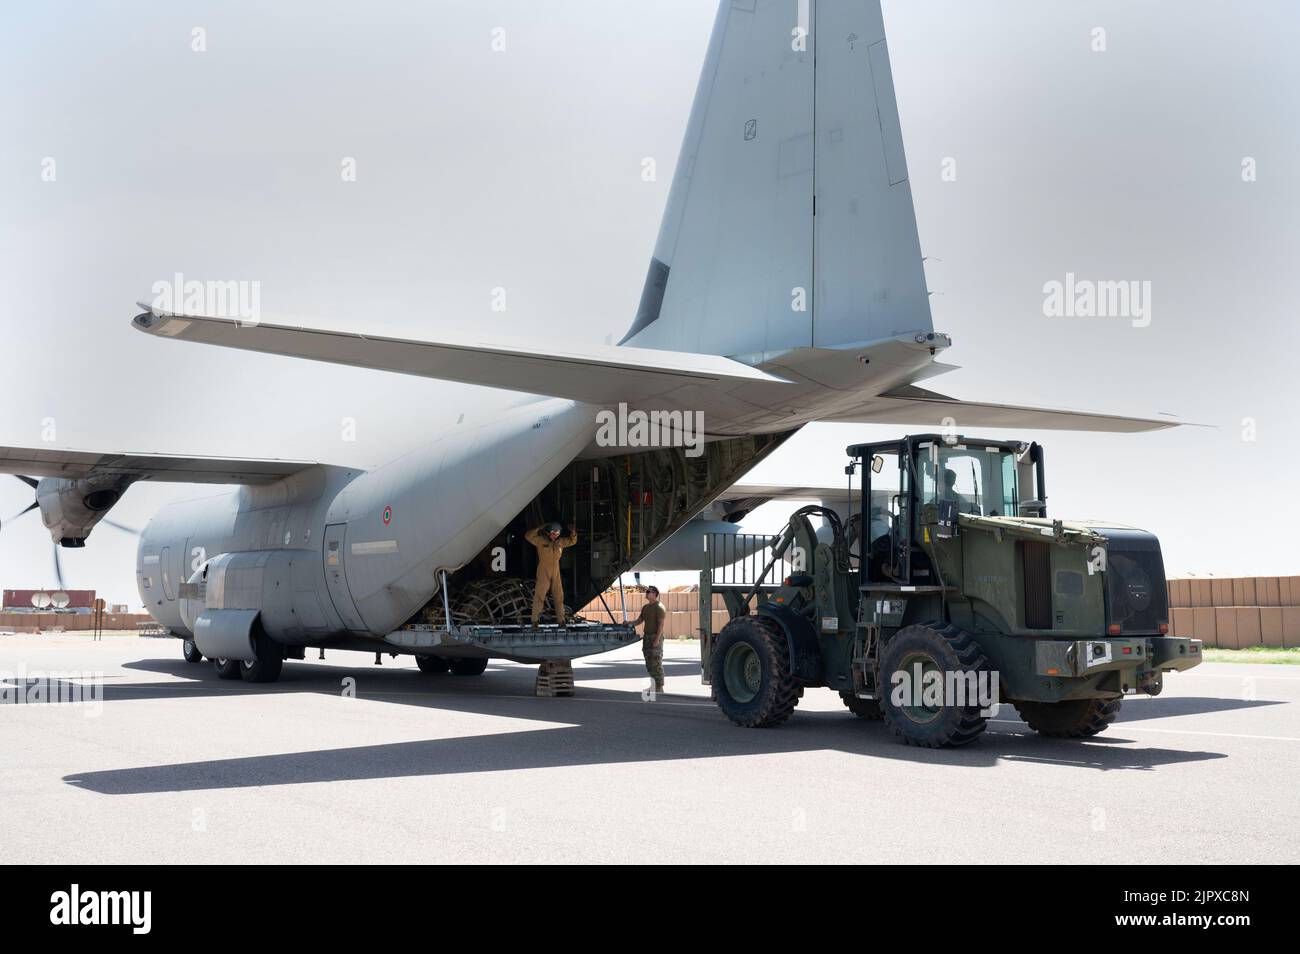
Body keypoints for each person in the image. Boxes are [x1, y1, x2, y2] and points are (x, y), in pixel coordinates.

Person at [525, 521, 578, 626]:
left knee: (559, 597)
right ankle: (535, 621)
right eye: (553, 533)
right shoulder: (540, 541)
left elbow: (572, 541)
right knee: (539, 596)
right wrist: (538, 527)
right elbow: (528, 536)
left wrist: (573, 532)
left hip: (556, 573)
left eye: (557, 533)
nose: (555, 535)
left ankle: (561, 621)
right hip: (543, 572)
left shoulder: (560, 542)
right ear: (548, 532)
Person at [633, 585, 667, 693]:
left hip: (654, 636)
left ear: (655, 594)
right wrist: (629, 623)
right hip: (647, 637)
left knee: (656, 662)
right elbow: (639, 620)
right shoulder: (646, 608)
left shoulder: (659, 607)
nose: (646, 593)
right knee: (649, 663)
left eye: (649, 592)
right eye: (647, 592)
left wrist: (657, 640)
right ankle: (654, 686)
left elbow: (661, 624)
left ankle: (659, 687)